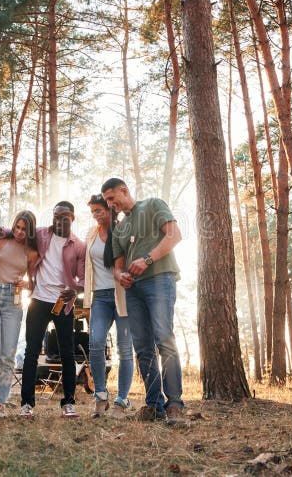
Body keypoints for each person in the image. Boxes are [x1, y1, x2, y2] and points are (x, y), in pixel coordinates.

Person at [101, 178, 185, 426]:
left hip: (160, 280)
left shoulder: (153, 205)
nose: (110, 204)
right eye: (106, 200)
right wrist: (122, 275)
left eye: (112, 198)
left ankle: (175, 405)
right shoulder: (119, 229)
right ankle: (154, 405)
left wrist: (147, 259)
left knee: (164, 338)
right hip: (133, 290)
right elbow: (117, 268)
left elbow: (174, 235)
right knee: (142, 347)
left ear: (124, 191)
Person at [19, 202, 85, 418]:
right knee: (32, 352)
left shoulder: (78, 245)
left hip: (63, 304)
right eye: (56, 216)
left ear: (72, 218)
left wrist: (74, 292)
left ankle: (68, 404)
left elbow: (83, 280)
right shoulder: (41, 234)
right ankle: (27, 405)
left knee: (67, 353)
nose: (59, 221)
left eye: (64, 217)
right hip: (38, 301)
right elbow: (17, 231)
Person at [0, 210, 38, 419]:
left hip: (13, 302)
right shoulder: (2, 242)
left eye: (24, 229)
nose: (20, 232)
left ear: (30, 230)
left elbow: (34, 283)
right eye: (17, 227)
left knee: (7, 355)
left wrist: (26, 284)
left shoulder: (32, 253)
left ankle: (0, 402)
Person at [84, 194, 133, 419]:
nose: (95, 215)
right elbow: (87, 270)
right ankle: (100, 396)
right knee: (95, 343)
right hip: (100, 297)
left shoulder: (123, 230)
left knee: (124, 348)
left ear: (109, 210)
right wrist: (86, 301)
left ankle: (121, 401)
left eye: (99, 210)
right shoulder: (92, 234)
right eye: (93, 211)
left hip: (122, 295)